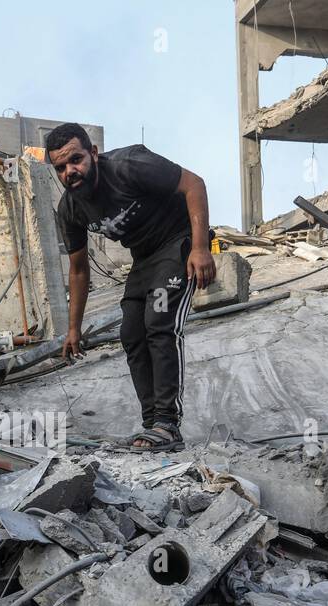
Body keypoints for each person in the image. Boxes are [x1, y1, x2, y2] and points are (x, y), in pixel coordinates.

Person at [47, 123, 216, 452]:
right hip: (144, 258)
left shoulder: (129, 166)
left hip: (177, 241)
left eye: (76, 160)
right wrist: (73, 329)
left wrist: (200, 248)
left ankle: (168, 423)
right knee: (132, 334)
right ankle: (153, 423)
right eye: (61, 167)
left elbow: (194, 184)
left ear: (93, 154)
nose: (70, 171)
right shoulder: (70, 209)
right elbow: (79, 270)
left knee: (159, 321)